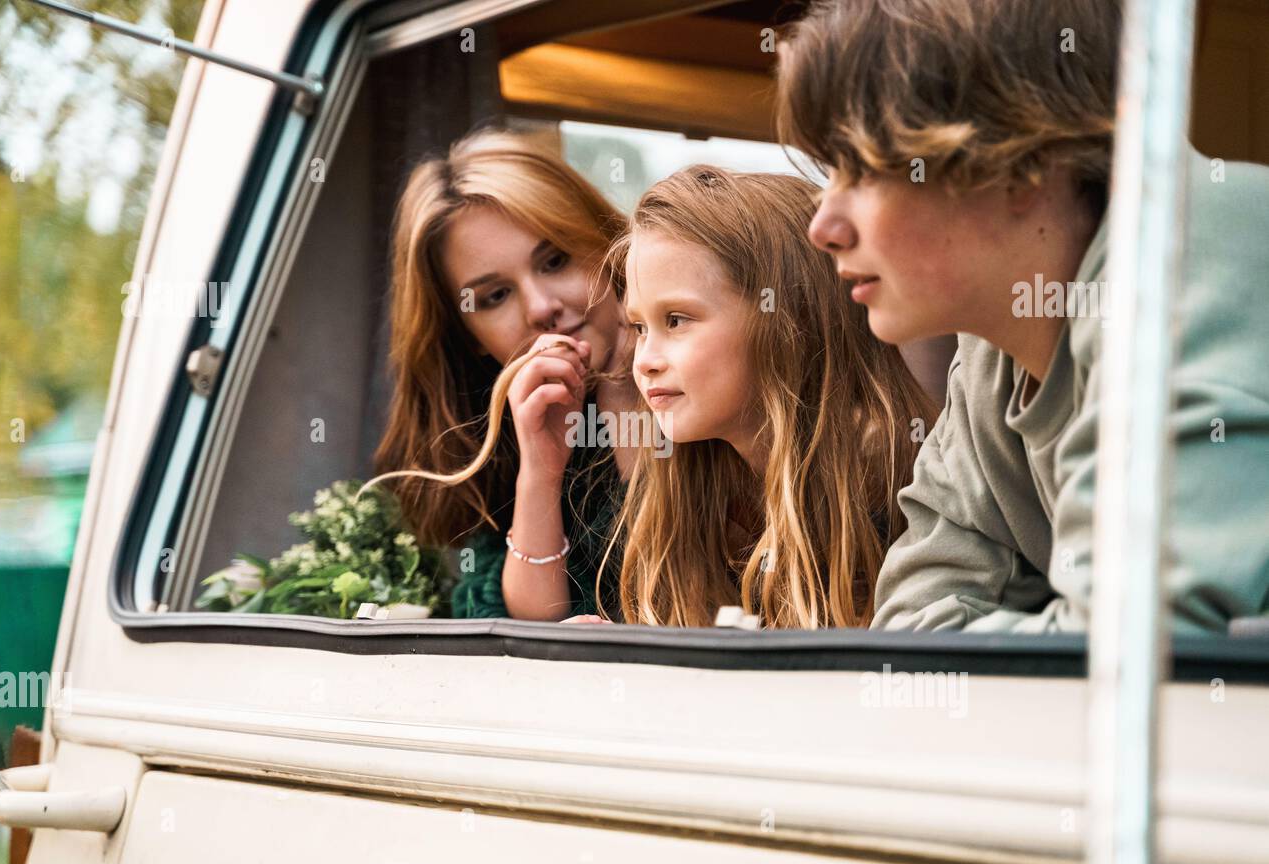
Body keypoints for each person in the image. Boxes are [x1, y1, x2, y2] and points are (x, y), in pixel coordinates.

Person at [777, 0, 1269, 635]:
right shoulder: (999, 341)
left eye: (863, 169)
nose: (823, 228)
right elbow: (910, 619)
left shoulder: (1188, 245)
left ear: (1023, 159)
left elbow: (1137, 656)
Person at [590, 166, 935, 628]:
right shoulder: (688, 474)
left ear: (787, 320)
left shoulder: (888, 471)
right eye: (639, 327)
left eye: (676, 320)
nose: (645, 360)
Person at [368, 129, 635, 621]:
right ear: (468, 333)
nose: (541, 308)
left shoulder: (710, 388)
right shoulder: (495, 444)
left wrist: (625, 393)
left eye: (555, 260)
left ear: (604, 242)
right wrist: (540, 470)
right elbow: (515, 628)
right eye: (494, 296)